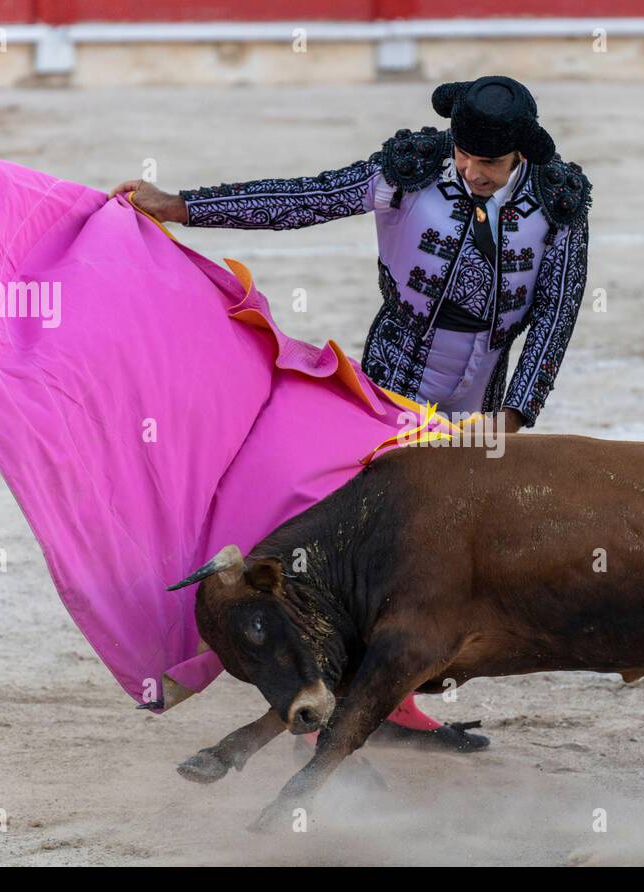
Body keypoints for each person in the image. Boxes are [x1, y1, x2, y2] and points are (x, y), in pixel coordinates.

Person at [113, 75, 592, 752]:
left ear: (522, 154)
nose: (475, 173)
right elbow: (304, 199)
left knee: (449, 551)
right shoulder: (410, 170)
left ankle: (393, 701)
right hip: (392, 381)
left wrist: (516, 413)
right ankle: (326, 691)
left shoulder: (560, 199)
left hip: (481, 395)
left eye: (490, 164)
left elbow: (556, 309)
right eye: (467, 157)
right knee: (366, 538)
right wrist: (183, 205)